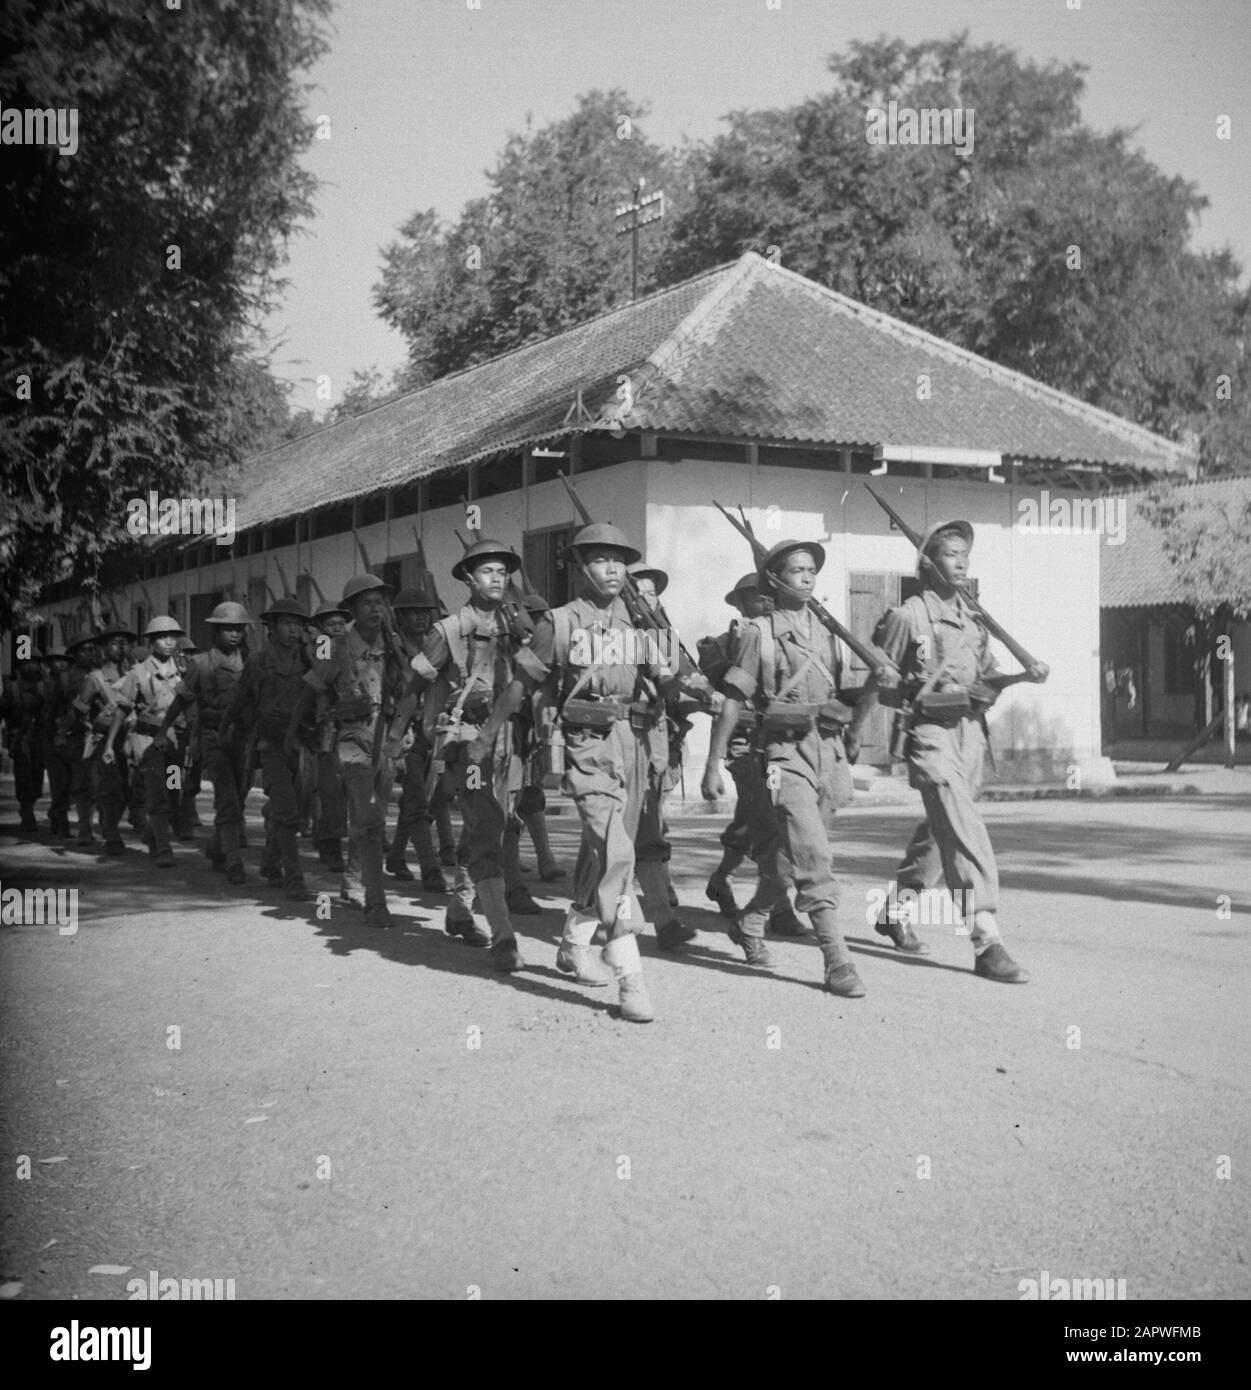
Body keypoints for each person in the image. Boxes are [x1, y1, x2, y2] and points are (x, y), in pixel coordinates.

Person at [853, 520, 1046, 983]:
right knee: (962, 827)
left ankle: (895, 911)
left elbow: (986, 680)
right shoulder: (907, 617)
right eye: (951, 554)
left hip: (970, 735)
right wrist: (853, 732)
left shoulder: (973, 620)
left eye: (965, 555)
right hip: (928, 735)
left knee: (943, 829)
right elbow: (877, 681)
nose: (961, 563)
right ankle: (986, 939)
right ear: (927, 564)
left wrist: (1022, 676)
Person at [517, 523, 691, 1021]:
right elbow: (529, 682)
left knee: (606, 854)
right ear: (579, 568)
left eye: (619, 560)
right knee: (616, 851)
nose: (612, 569)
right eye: (599, 560)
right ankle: (630, 976)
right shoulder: (559, 622)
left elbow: (672, 683)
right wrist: (529, 734)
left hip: (634, 743)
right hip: (585, 744)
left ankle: (574, 941)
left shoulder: (642, 624)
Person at [701, 539, 864, 997]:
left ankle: (751, 921)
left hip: (827, 753)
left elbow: (848, 692)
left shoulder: (831, 632)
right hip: (781, 756)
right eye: (797, 570)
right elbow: (734, 700)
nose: (808, 577)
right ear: (775, 579)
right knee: (813, 853)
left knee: (792, 855)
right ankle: (837, 960)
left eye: (812, 569)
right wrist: (713, 764)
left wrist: (863, 712)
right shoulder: (759, 632)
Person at [395, 540, 545, 970]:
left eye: (502, 572)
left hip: (507, 742)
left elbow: (533, 677)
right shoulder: (447, 631)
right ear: (467, 578)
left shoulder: (517, 627)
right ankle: (504, 936)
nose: (496, 579)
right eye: (486, 572)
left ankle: (460, 911)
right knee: (489, 825)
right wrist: (394, 738)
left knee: (491, 825)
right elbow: (415, 686)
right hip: (466, 744)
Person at [288, 576, 408, 929]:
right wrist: (293, 734)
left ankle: (353, 882)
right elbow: (310, 689)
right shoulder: (334, 646)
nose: (376, 609)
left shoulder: (393, 645)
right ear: (352, 610)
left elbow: (409, 689)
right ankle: (376, 901)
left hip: (384, 740)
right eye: (368, 603)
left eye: (380, 602)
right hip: (351, 739)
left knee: (372, 818)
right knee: (368, 818)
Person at [697, 574, 807, 936]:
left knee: (756, 819)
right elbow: (723, 687)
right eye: (757, 599)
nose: (767, 603)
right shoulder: (724, 644)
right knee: (767, 822)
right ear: (741, 604)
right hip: (743, 747)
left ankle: (720, 879)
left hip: (775, 746)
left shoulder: (783, 641)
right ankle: (780, 907)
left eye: (769, 597)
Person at [222, 597, 313, 900]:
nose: (293, 630)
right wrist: (225, 727)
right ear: (272, 627)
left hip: (300, 742)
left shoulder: (308, 658)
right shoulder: (258, 660)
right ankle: (294, 876)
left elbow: (328, 673)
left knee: (296, 806)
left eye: (298, 624)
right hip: (270, 743)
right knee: (286, 809)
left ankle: (272, 862)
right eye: (287, 623)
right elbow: (240, 698)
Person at [156, 602, 252, 883]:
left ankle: (215, 846)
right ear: (215, 631)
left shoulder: (251, 661)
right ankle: (234, 860)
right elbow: (181, 700)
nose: (234, 634)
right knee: (228, 799)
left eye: (238, 629)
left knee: (240, 797)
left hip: (243, 737)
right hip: (214, 737)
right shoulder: (201, 664)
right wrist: (163, 730)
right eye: (227, 629)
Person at [103, 617, 186, 868]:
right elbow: (122, 708)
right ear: (151, 641)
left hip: (175, 743)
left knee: (173, 794)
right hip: (148, 742)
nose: (169, 641)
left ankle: (151, 833)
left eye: (173, 636)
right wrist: (109, 745)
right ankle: (162, 847)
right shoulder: (137, 673)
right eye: (163, 636)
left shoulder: (183, 669)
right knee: (157, 792)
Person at [387, 581, 451, 892]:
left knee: (424, 798)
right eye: (412, 613)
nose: (420, 618)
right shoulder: (391, 649)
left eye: (424, 612)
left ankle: (397, 855)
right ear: (399, 617)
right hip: (404, 731)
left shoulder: (435, 644)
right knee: (416, 801)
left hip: (432, 731)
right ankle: (431, 868)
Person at [1, 657, 45, 831]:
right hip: (21, 736)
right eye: (26, 663)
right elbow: (3, 711)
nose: (30, 666)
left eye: (34, 662)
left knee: (37, 773)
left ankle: (31, 804)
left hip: (40, 736)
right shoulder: (12, 689)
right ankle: (27, 811)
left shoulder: (44, 687)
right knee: (24, 773)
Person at [39, 648, 74, 838]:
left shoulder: (73, 681)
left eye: (63, 661)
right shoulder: (43, 685)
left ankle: (56, 812)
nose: (59, 664)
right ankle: (61, 822)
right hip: (51, 739)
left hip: (73, 739)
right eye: (55, 661)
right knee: (59, 783)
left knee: (75, 784)